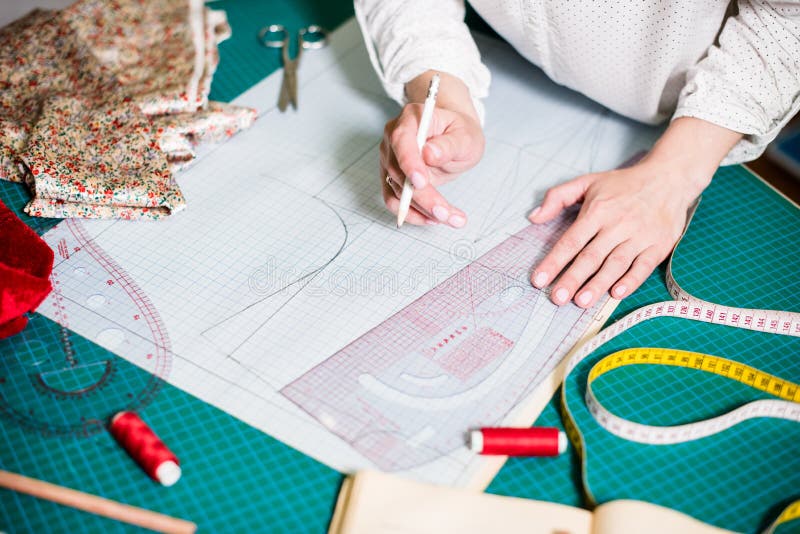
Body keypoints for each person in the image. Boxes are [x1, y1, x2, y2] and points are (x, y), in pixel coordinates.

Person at [354, 1, 800, 308]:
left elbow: (786, 20)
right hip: (515, 61)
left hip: (692, 110)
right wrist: (442, 88)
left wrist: (675, 173)